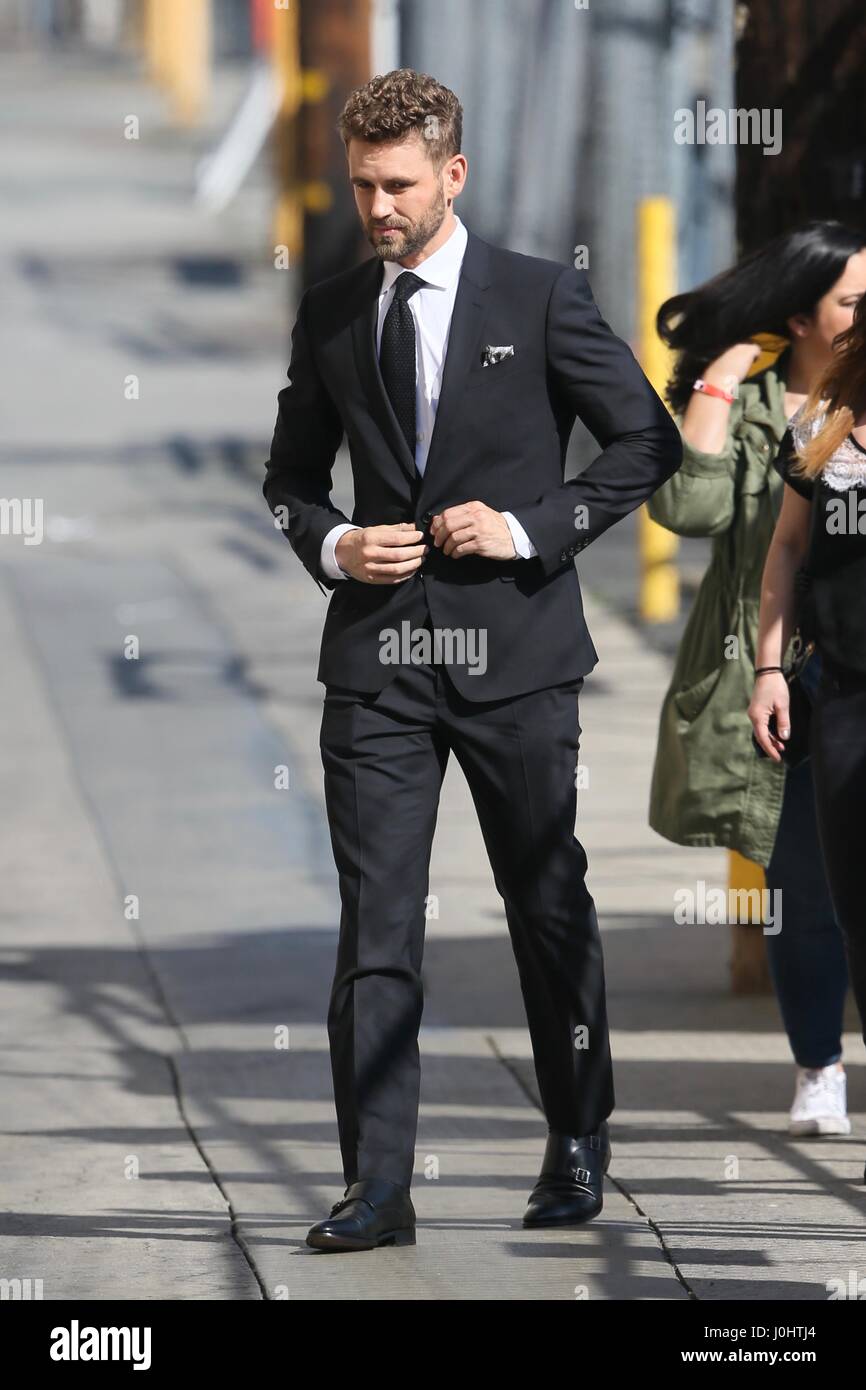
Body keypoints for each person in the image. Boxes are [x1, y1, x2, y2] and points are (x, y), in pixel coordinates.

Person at [263, 68, 682, 1251]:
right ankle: (375, 1186)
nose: (377, 207)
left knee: (543, 901)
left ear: (453, 174)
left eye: (398, 185)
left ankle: (577, 1135)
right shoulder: (337, 309)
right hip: (379, 665)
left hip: (518, 656)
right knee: (375, 924)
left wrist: (529, 527)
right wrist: (338, 542)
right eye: (361, 185)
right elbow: (288, 478)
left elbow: (642, 442)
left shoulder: (541, 299)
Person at [646, 223, 866, 1134]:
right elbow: (687, 507)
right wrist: (721, 375)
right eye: (853, 301)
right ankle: (819, 1065)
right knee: (805, 888)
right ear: (801, 318)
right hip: (783, 669)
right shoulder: (767, 405)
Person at [750, 294, 866, 1177]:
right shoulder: (825, 425)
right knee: (848, 902)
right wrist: (768, 668)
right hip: (842, 694)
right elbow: (787, 551)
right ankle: (823, 1067)